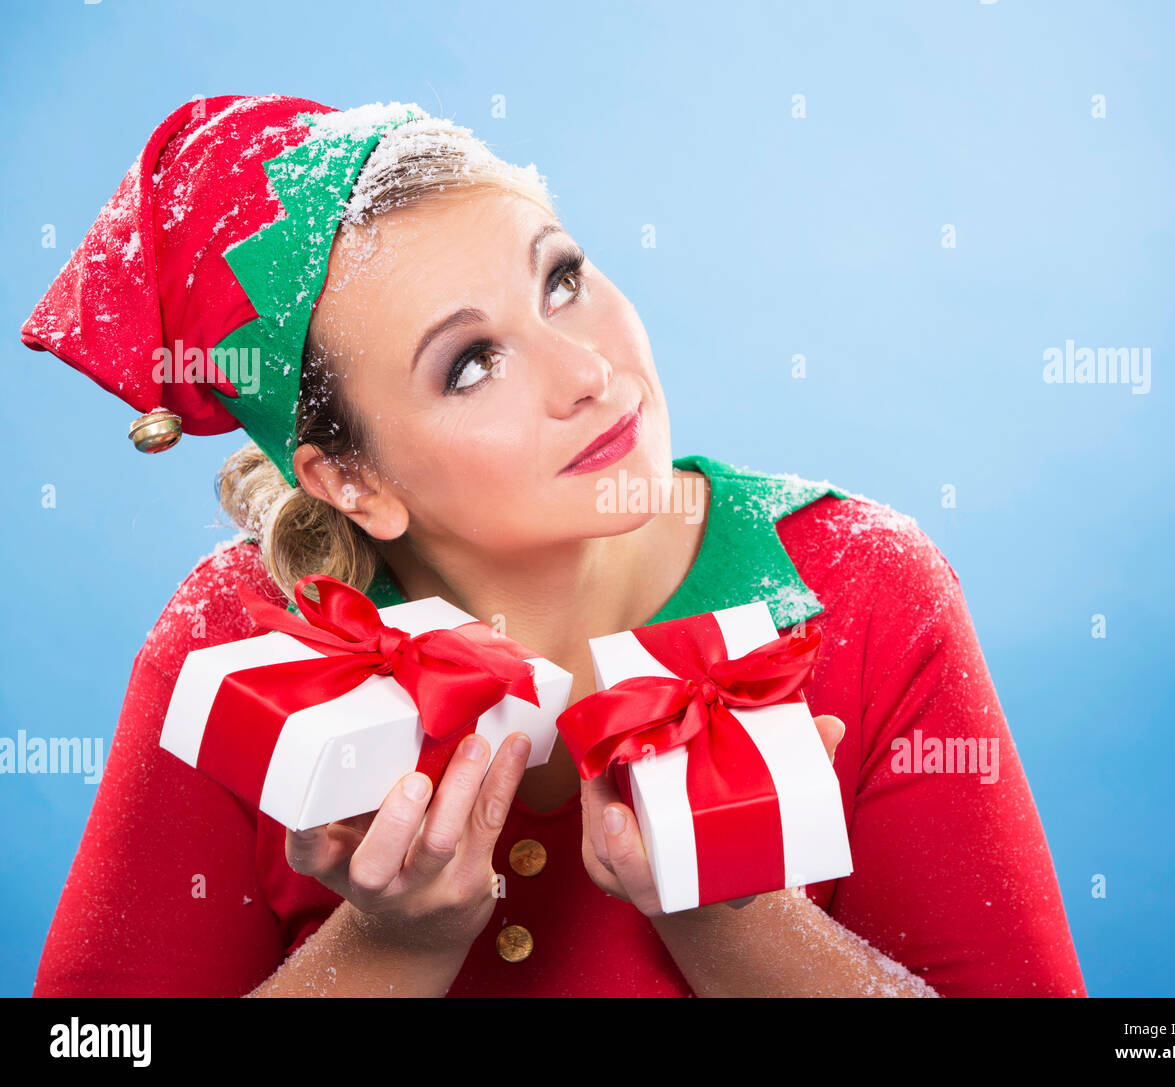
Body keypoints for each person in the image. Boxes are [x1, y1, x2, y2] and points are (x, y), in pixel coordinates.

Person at [22, 95, 1086, 997]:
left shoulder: (862, 587)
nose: (584, 372)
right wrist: (386, 946)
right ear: (352, 483)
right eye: (472, 362)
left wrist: (738, 918)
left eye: (561, 279)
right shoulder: (234, 640)